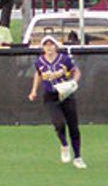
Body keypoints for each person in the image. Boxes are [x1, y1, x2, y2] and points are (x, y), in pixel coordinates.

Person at [29, 35, 85, 168]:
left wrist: (73, 82)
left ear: (56, 46)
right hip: (51, 96)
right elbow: (38, 74)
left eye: (51, 44)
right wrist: (33, 91)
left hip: (66, 94)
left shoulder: (64, 59)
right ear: (43, 48)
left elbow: (76, 71)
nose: (49, 47)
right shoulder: (40, 61)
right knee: (59, 124)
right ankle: (64, 145)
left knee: (73, 127)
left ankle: (78, 157)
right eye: (46, 45)